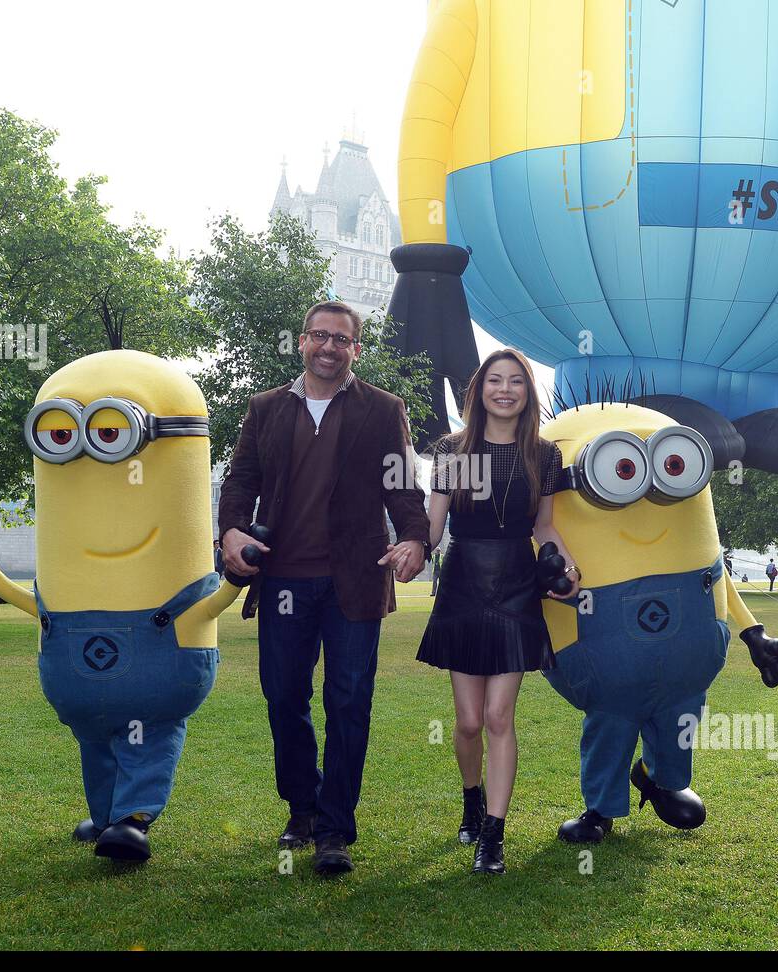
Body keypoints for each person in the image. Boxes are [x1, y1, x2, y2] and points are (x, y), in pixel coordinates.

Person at [217, 300, 431, 877]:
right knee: (284, 696)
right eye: (320, 336)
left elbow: (402, 486)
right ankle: (302, 807)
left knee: (349, 701)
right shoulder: (265, 409)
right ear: (303, 342)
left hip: (353, 583)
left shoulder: (383, 409)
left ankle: (335, 828)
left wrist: (416, 538)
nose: (330, 347)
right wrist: (231, 531)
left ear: (356, 350)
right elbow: (240, 481)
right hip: (283, 578)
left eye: (342, 339)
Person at [417, 348, 580, 875]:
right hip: (463, 585)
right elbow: (433, 525)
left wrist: (567, 562)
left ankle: (493, 834)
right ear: (479, 390)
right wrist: (412, 547)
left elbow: (545, 527)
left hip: (516, 586)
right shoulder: (451, 450)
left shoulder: (544, 454)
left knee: (496, 716)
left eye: (516, 381)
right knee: (466, 722)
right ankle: (470, 799)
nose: (504, 389)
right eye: (494, 380)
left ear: (528, 392)